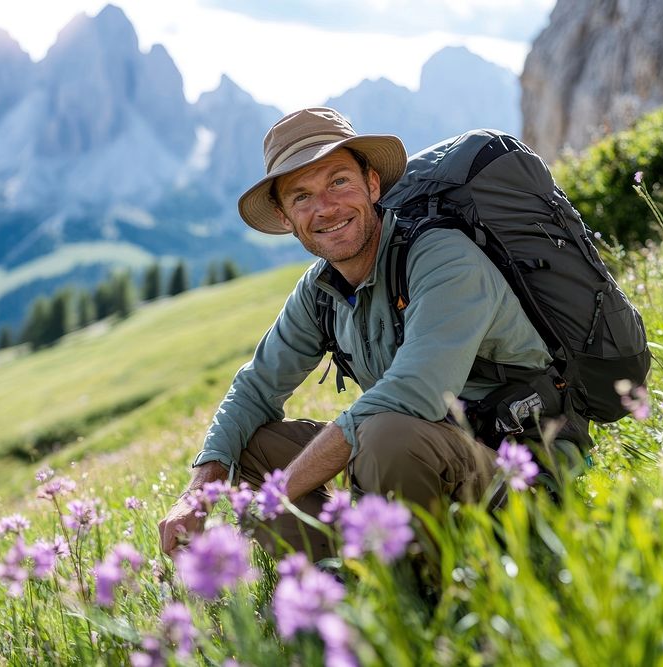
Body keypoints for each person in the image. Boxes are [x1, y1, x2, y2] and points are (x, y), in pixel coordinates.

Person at [158, 107, 583, 561]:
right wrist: (197, 493)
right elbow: (254, 388)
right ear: (285, 218)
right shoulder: (320, 290)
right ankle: (340, 579)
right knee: (248, 447)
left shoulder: (441, 255)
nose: (325, 208)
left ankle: (426, 590)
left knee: (385, 436)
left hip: (522, 475)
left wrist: (274, 496)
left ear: (373, 184)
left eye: (338, 181)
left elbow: (413, 395)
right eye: (301, 196)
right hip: (426, 462)